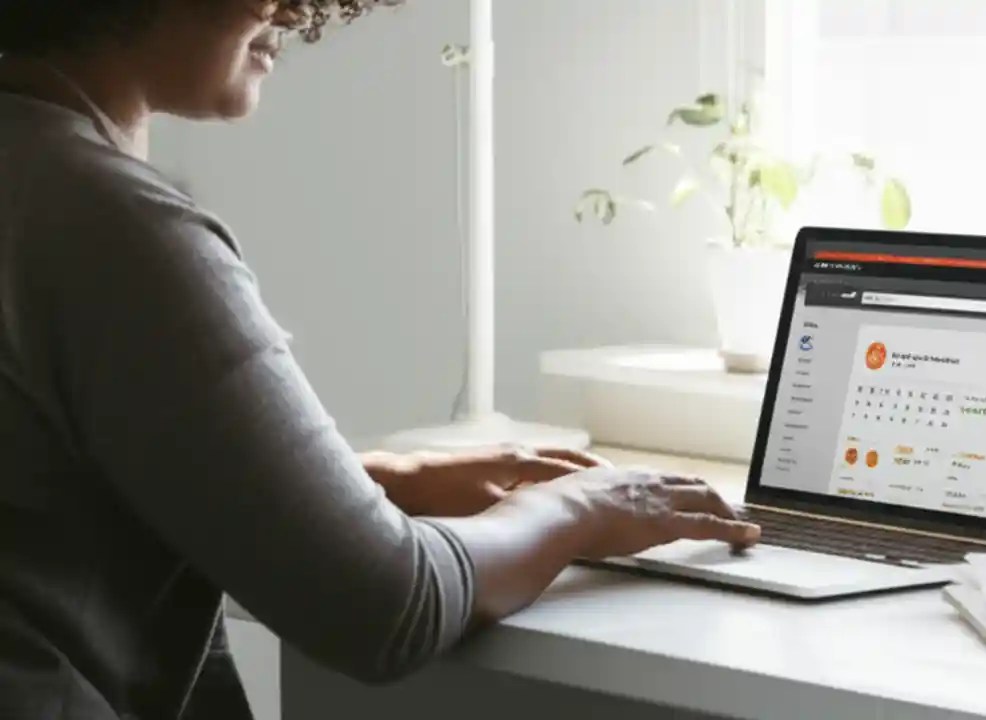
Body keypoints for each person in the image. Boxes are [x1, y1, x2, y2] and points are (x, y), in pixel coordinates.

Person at [0, 1, 761, 717]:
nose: (297, 13)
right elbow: (385, 606)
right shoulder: (108, 226)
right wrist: (579, 508)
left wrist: (373, 482)